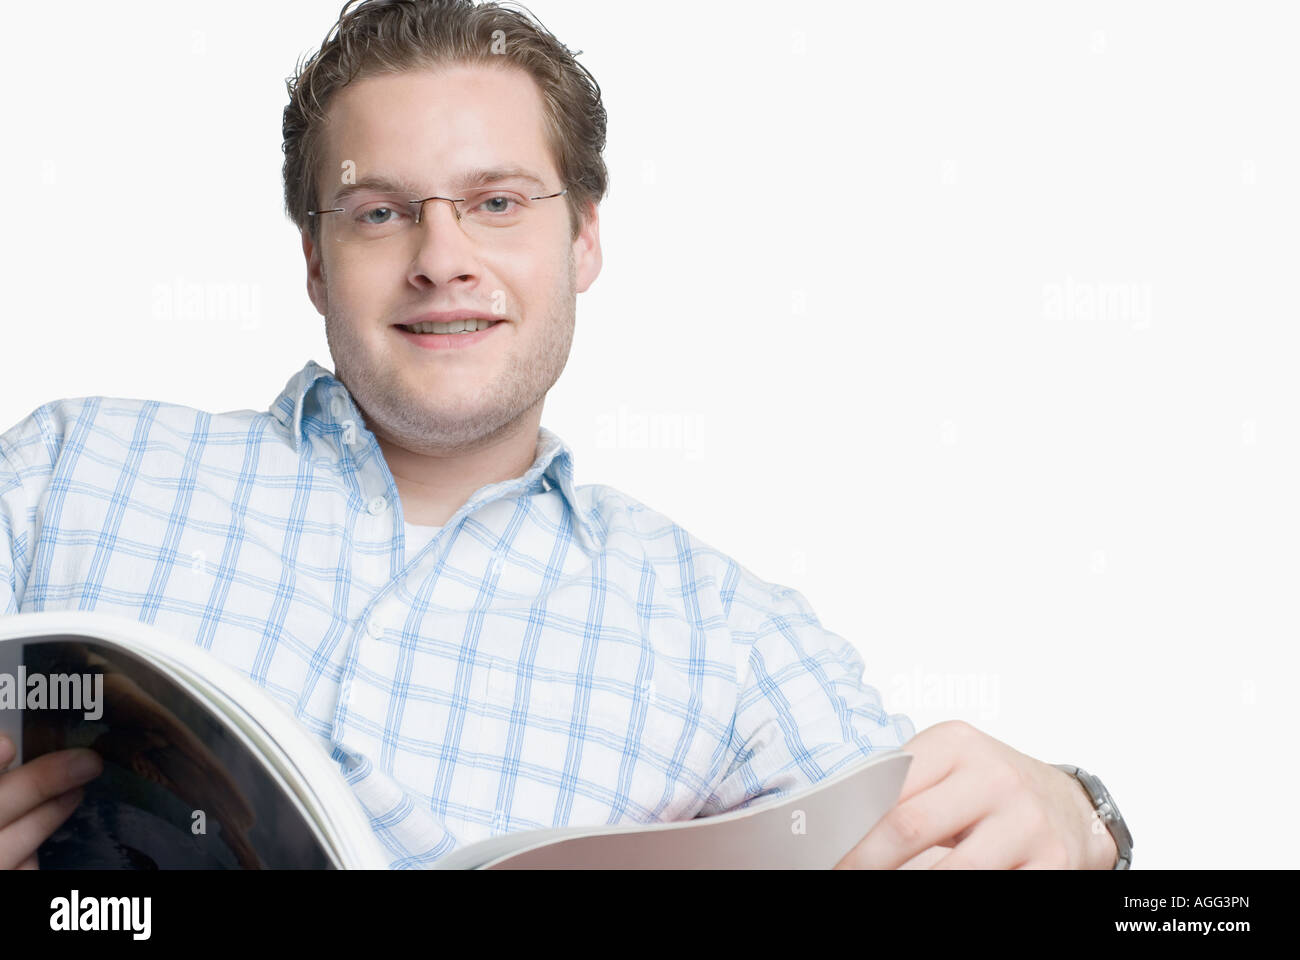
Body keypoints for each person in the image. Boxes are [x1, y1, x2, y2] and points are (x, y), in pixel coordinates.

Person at [0, 0, 1125, 870]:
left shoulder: (725, 642)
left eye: (497, 202)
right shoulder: (68, 473)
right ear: (313, 260)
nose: (441, 256)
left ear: (584, 240)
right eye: (380, 211)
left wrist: (1082, 817)